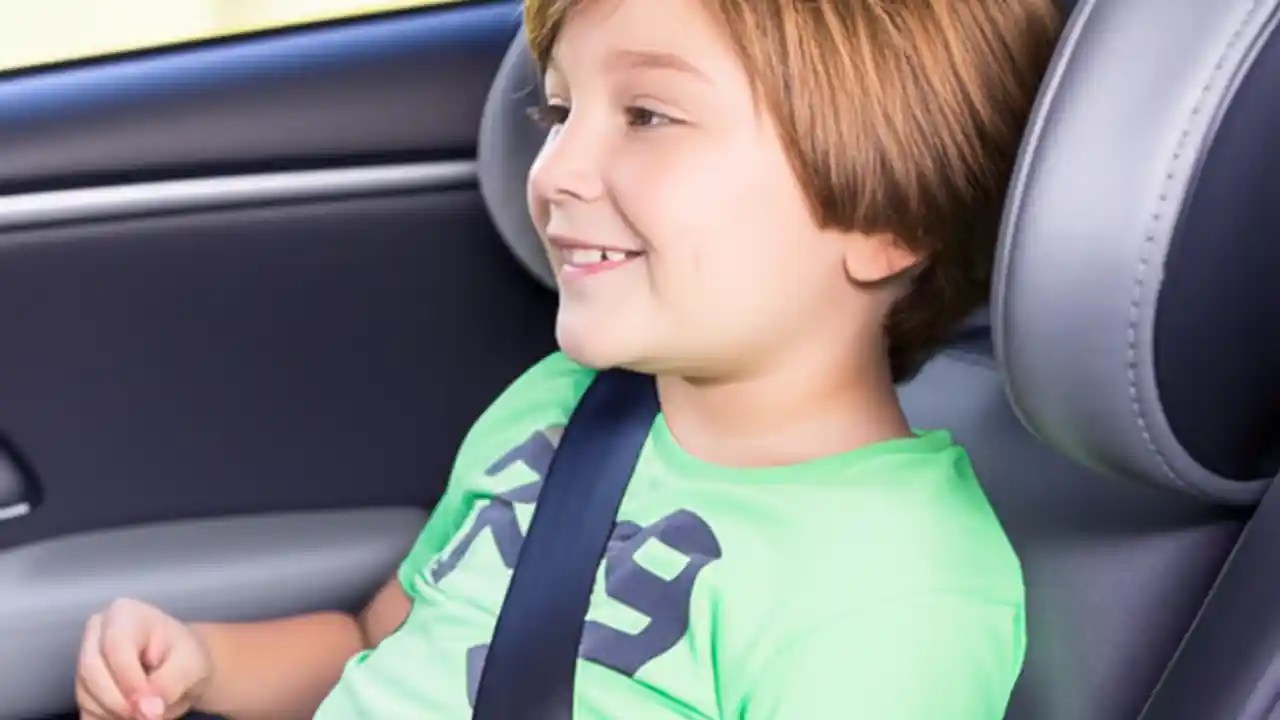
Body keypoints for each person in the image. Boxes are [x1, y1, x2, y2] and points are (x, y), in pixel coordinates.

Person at [73, 0, 1063, 717]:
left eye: (647, 115)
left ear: (885, 216)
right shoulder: (557, 408)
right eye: (556, 114)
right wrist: (202, 661)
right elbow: (381, 642)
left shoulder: (894, 587)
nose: (553, 171)